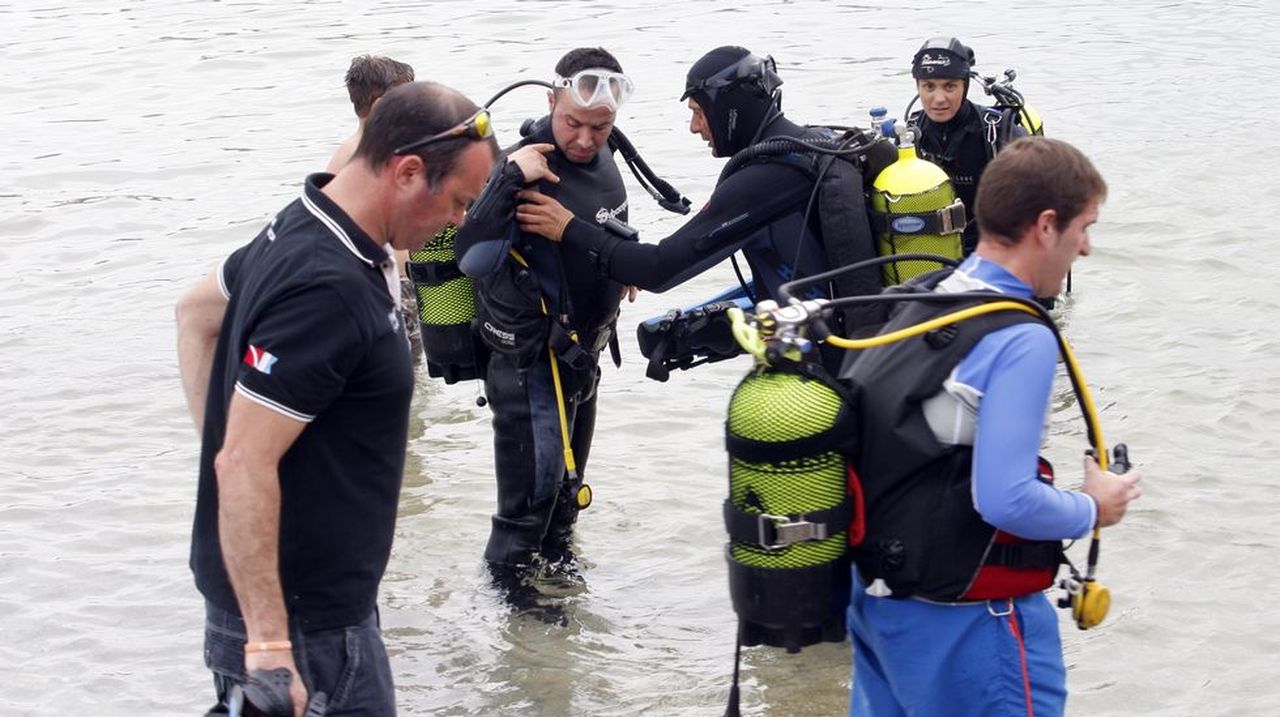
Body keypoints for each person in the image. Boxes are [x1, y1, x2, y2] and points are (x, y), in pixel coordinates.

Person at [175, 81, 500, 717]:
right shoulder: (328, 287)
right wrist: (270, 645)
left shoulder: (296, 226)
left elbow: (195, 312)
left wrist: (229, 446)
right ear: (408, 172)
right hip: (304, 631)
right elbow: (240, 464)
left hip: (300, 611)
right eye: (458, 203)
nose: (460, 224)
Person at [842, 137, 1143, 717]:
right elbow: (1006, 499)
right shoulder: (1019, 337)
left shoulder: (924, 297)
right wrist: (1092, 506)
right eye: (1084, 227)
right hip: (975, 623)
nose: (1086, 248)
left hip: (881, 606)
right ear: (1046, 226)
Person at [516, 46, 895, 359]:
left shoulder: (767, 177)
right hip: (858, 349)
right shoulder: (814, 146)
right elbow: (788, 271)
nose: (695, 127)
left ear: (728, 110)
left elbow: (661, 267)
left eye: (698, 112)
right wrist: (692, 331)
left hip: (831, 367)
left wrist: (567, 227)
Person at [452, 47, 635, 589]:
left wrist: (622, 263)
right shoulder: (522, 166)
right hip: (531, 365)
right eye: (572, 123)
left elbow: (608, 222)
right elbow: (471, 255)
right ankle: (514, 619)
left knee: (564, 501)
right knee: (526, 509)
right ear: (551, 100)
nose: (584, 139)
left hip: (585, 357)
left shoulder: (607, 156)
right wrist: (507, 177)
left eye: (599, 127)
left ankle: (561, 602)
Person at [326, 55, 422, 365]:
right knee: (403, 371)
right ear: (382, 105)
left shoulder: (349, 153)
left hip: (379, 284)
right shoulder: (367, 157)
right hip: (384, 285)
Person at [908, 37, 1029, 255]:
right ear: (918, 87)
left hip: (993, 252)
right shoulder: (911, 134)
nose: (939, 99)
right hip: (933, 252)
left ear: (965, 86)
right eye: (929, 86)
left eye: (950, 86)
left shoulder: (998, 131)